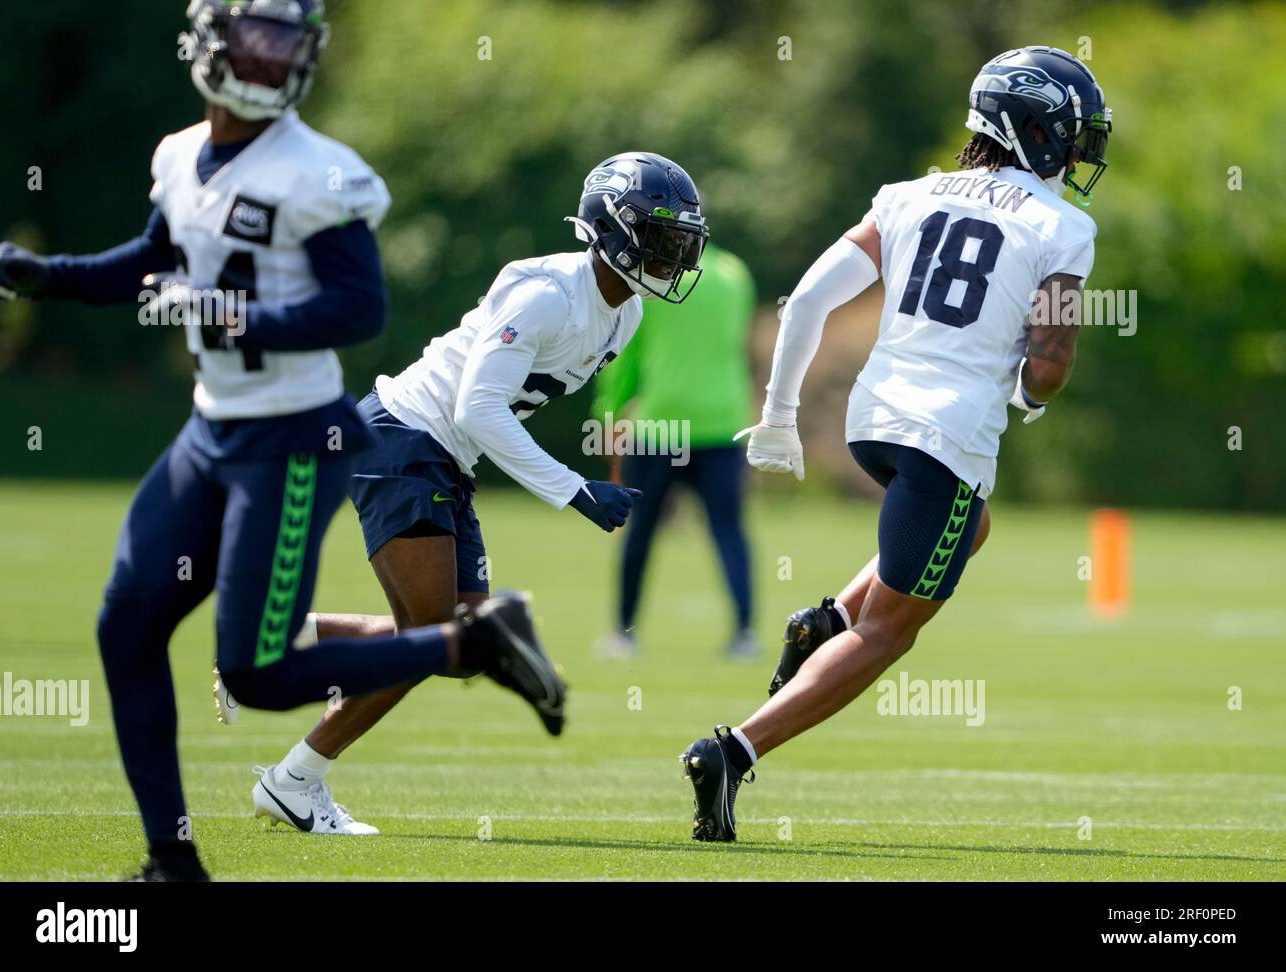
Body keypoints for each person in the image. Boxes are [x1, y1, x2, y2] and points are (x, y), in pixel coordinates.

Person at [0, 0, 564, 880]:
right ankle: (170, 859)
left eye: (286, 45)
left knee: (253, 671)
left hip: (297, 437)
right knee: (126, 628)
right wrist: (51, 278)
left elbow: (358, 308)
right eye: (254, 41)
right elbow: (155, 257)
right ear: (208, 44)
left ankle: (471, 641)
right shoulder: (181, 154)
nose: (268, 62)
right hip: (212, 427)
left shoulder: (318, 172)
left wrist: (227, 314)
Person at [678, 46, 1111, 840]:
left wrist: (777, 413)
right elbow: (1048, 366)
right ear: (1038, 133)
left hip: (872, 423)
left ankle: (822, 622)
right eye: (1073, 135)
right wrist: (1027, 391)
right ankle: (734, 749)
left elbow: (808, 295)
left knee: (970, 526)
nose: (1080, 153)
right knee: (889, 631)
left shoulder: (907, 195)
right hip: (945, 435)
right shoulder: (1062, 225)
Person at [245, 152, 710, 835]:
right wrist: (575, 491)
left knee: (463, 646)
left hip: (441, 459)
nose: (674, 255)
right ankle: (294, 778)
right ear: (611, 229)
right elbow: (477, 409)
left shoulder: (625, 315)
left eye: (683, 241)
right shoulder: (548, 294)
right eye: (662, 237)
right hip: (403, 438)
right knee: (434, 638)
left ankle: (277, 639)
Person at [590, 243, 758, 660]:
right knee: (729, 531)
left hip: (661, 423)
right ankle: (744, 636)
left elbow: (626, 352)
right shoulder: (735, 271)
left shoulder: (651, 275)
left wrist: (608, 415)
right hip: (724, 420)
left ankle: (624, 634)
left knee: (640, 530)